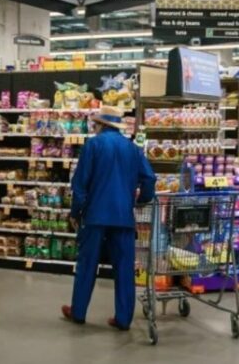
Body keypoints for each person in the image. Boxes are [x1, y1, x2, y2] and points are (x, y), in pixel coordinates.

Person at [62, 105, 156, 331]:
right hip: (123, 217)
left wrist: (75, 212)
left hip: (95, 216)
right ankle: (123, 319)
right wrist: (142, 199)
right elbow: (149, 179)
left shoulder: (93, 145)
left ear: (101, 125)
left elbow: (80, 185)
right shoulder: (133, 149)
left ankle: (78, 312)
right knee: (124, 268)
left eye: (95, 124)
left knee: (87, 265)